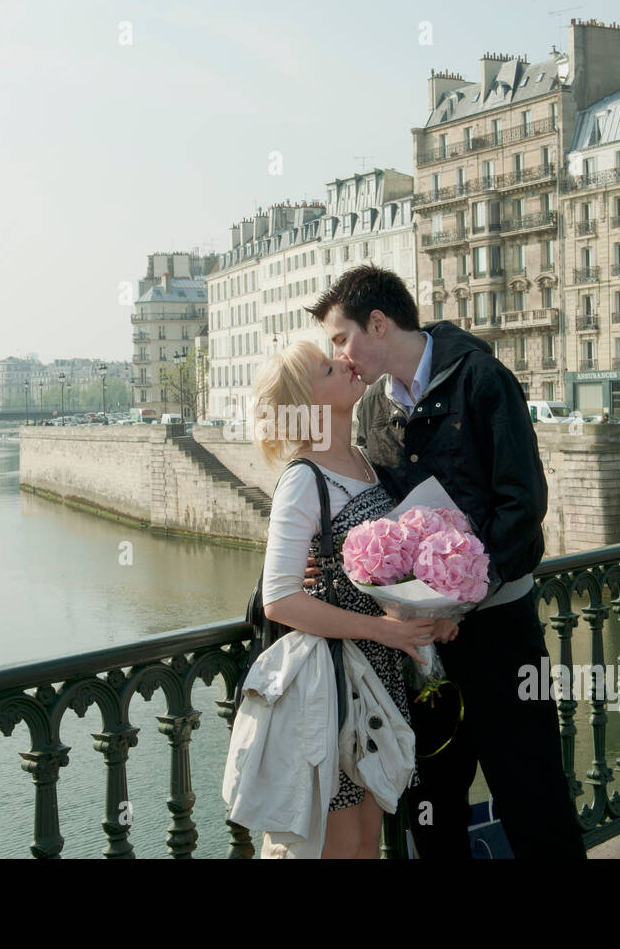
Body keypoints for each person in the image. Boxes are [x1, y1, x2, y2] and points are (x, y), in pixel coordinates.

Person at [306, 264, 586, 859]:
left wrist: (463, 600)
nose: (340, 353)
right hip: (425, 642)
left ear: (377, 324)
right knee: (434, 803)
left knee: (531, 791)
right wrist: (316, 570)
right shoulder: (373, 411)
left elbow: (523, 505)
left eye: (340, 337)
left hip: (499, 631)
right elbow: (376, 516)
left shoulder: (482, 379)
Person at [246, 339, 459, 858]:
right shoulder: (303, 479)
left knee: (367, 841)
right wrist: (383, 629)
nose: (344, 361)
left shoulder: (364, 458)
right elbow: (279, 600)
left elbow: (382, 570)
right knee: (343, 845)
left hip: (378, 676)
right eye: (327, 366)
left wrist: (432, 611)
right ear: (310, 402)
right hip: (335, 687)